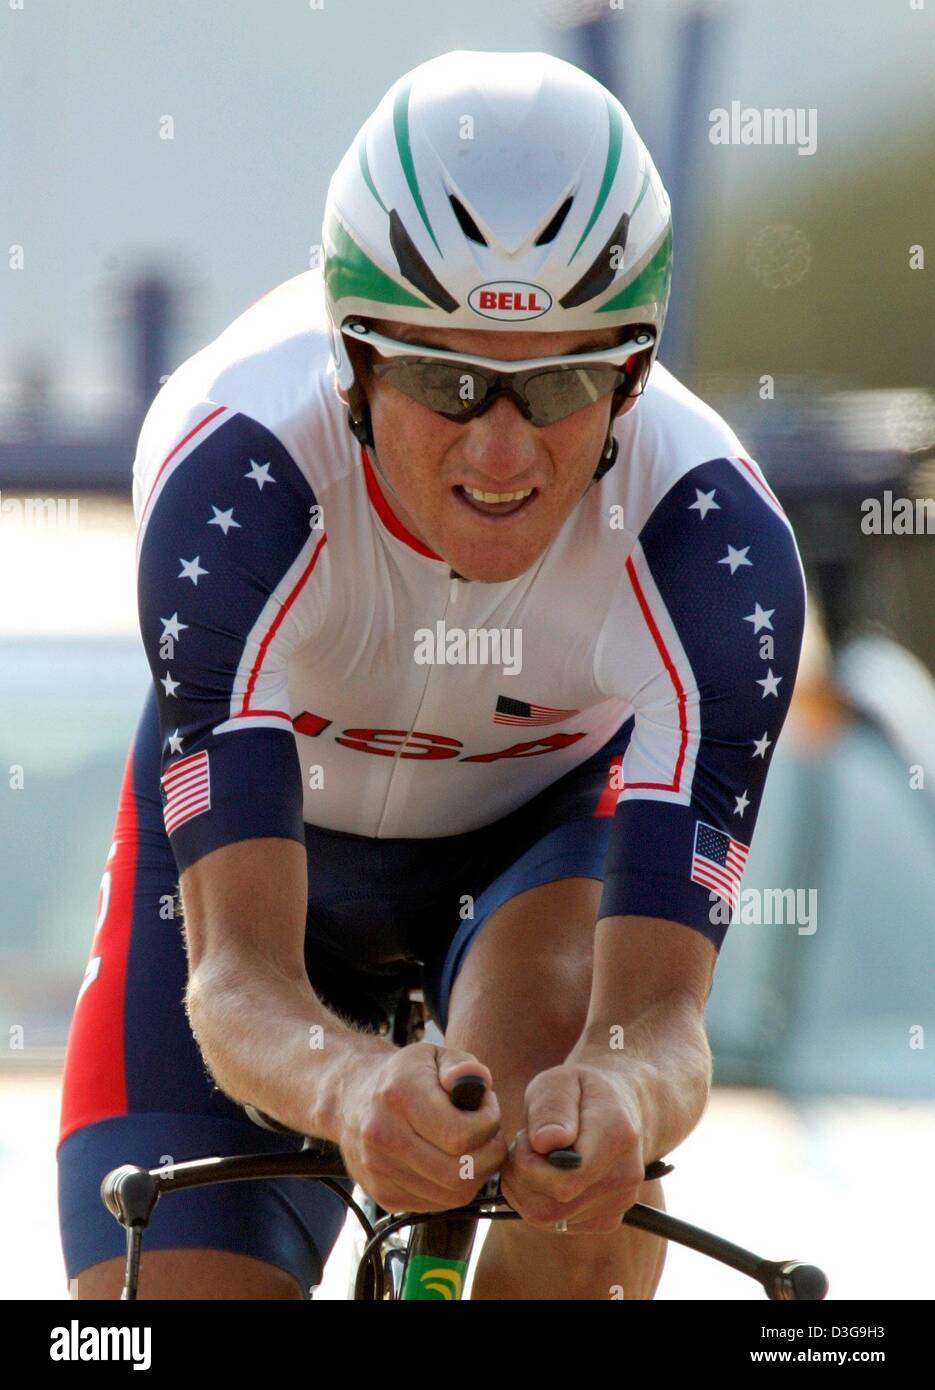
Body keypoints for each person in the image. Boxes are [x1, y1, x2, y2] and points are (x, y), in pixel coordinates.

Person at [57, 49, 806, 1300]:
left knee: (580, 1186)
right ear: (351, 360)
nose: (502, 448)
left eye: (563, 381)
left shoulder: (713, 552)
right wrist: (350, 1083)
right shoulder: (232, 483)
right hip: (267, 859)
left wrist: (620, 1088)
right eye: (446, 382)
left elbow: (663, 1028)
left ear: (632, 371)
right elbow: (239, 977)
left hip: (532, 852)